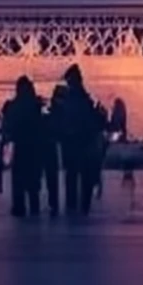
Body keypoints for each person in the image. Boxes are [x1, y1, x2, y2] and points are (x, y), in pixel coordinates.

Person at [51, 65, 103, 216]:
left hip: (72, 142)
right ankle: (83, 205)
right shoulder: (83, 99)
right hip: (82, 143)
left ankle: (73, 205)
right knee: (82, 176)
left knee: (72, 176)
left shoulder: (70, 99)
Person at [3, 76, 44, 218]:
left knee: (19, 179)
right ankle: (34, 206)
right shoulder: (35, 105)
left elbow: (9, 125)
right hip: (34, 147)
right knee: (33, 180)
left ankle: (19, 207)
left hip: (21, 146)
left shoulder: (14, 106)